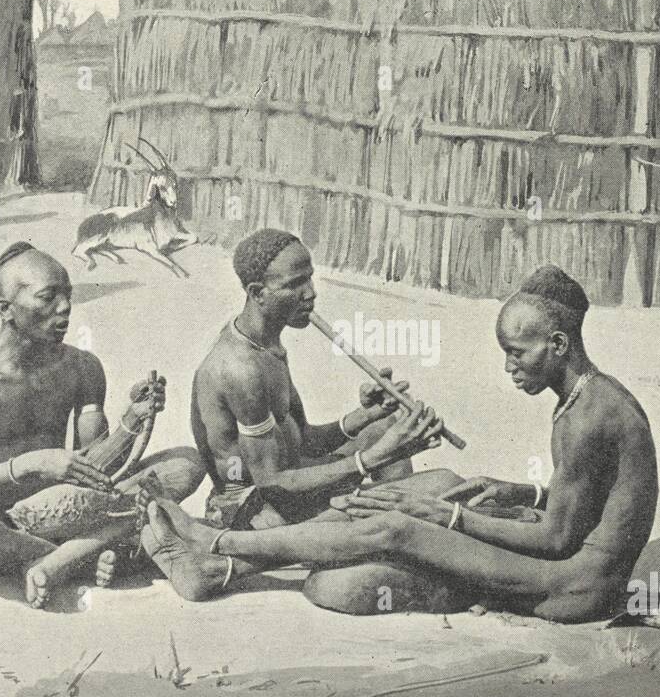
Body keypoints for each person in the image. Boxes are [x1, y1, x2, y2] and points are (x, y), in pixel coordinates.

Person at [144, 264, 659, 623]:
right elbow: (584, 504)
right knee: (424, 495)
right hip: (569, 566)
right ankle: (221, 561)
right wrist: (522, 493)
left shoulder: (588, 417)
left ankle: (218, 547)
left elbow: (556, 541)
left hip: (574, 588)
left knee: (390, 531)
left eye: (517, 353)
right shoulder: (591, 400)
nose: (509, 367)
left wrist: (447, 519)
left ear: (559, 345)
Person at [181, 228, 467, 607]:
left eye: (310, 278)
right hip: (253, 511)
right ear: (257, 293)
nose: (311, 293)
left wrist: (366, 416)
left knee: (382, 428)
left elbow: (303, 441)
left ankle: (390, 531)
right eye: (295, 284)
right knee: (445, 482)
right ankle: (383, 533)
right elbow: (272, 482)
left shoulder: (267, 345)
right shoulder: (240, 369)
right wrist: (372, 459)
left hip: (285, 491)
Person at [0, 241, 204, 608]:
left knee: (187, 462)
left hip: (74, 505)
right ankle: (84, 554)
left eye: (67, 295)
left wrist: (134, 419)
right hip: (2, 521)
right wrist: (29, 465)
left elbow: (100, 469)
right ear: (7, 310)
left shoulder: (82, 367)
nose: (64, 308)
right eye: (48, 297)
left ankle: (58, 561)